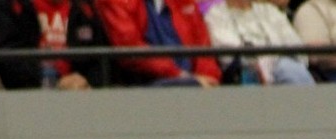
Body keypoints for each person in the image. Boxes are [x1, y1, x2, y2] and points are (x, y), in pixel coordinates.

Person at [71, 0, 223, 87]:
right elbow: (130, 50)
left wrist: (209, 78)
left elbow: (203, 47)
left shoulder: (184, 2)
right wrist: (182, 76)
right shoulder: (117, 2)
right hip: (146, 85)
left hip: (196, 84)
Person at [204, 0, 315, 85]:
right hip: (244, 74)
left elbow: (297, 48)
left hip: (284, 68)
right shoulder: (214, 15)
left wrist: (270, 64)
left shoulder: (270, 11)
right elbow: (228, 56)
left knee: (289, 68)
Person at [0, 0, 93, 89]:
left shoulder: (85, 7)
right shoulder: (10, 4)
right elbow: (5, 60)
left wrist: (86, 83)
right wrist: (55, 82)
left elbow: (96, 61)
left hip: (80, 93)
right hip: (24, 95)